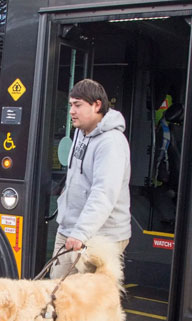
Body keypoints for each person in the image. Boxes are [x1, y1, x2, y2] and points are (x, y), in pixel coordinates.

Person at [50, 79, 132, 279]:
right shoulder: (81, 132)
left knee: (85, 295)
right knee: (58, 288)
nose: (72, 111)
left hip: (101, 236)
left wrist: (80, 233)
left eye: (78, 105)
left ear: (97, 105)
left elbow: (103, 194)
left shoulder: (111, 142)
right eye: (71, 105)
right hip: (71, 229)